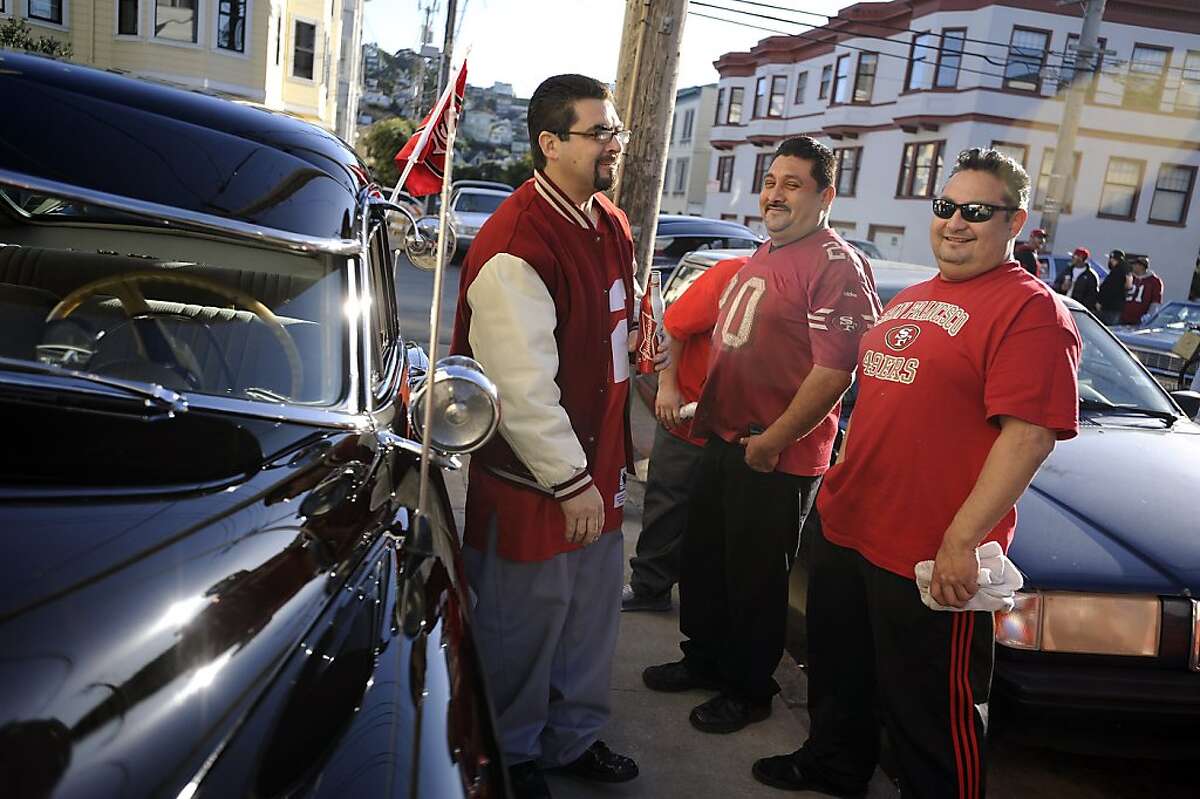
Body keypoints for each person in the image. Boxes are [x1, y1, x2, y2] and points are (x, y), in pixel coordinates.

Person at [751, 148, 1080, 798]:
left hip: (932, 559)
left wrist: (962, 540)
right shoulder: (913, 299)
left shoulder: (1031, 310)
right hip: (851, 530)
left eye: (977, 211)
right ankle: (833, 765)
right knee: (841, 676)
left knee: (931, 719)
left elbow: (1030, 436)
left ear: (1014, 222)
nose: (956, 222)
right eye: (946, 206)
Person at [449, 73, 651, 799]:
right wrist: (571, 481)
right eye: (600, 132)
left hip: (601, 470)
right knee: (522, 625)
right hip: (538, 482)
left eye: (616, 130)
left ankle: (573, 738)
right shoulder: (516, 243)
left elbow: (616, 334)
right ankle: (512, 753)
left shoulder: (608, 221)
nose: (614, 144)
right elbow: (522, 389)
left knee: (589, 618)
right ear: (549, 141)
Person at [642, 136, 881, 735]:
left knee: (753, 580)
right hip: (723, 438)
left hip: (774, 453)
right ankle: (705, 660)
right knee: (705, 564)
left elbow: (835, 369)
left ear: (826, 195)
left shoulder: (835, 264)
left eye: (793, 184)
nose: (775, 193)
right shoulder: (766, 252)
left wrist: (773, 439)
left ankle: (748, 689)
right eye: (771, 181)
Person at [622, 255, 747, 612]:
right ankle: (650, 588)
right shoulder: (730, 273)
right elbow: (673, 329)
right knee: (666, 505)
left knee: (716, 524)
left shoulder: (799, 290)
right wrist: (667, 387)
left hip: (737, 433)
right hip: (686, 418)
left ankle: (707, 604)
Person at [1121, 255, 1165, 326]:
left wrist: (1149, 315)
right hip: (1123, 317)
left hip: (1140, 320)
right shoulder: (1130, 277)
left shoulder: (1154, 281)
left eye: (1135, 265)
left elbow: (1156, 301)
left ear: (1141, 266)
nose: (1133, 266)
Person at [1096, 248, 1132, 325]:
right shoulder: (1124, 271)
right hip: (1115, 307)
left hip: (1111, 308)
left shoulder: (1117, 272)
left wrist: (1101, 302)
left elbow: (1110, 289)